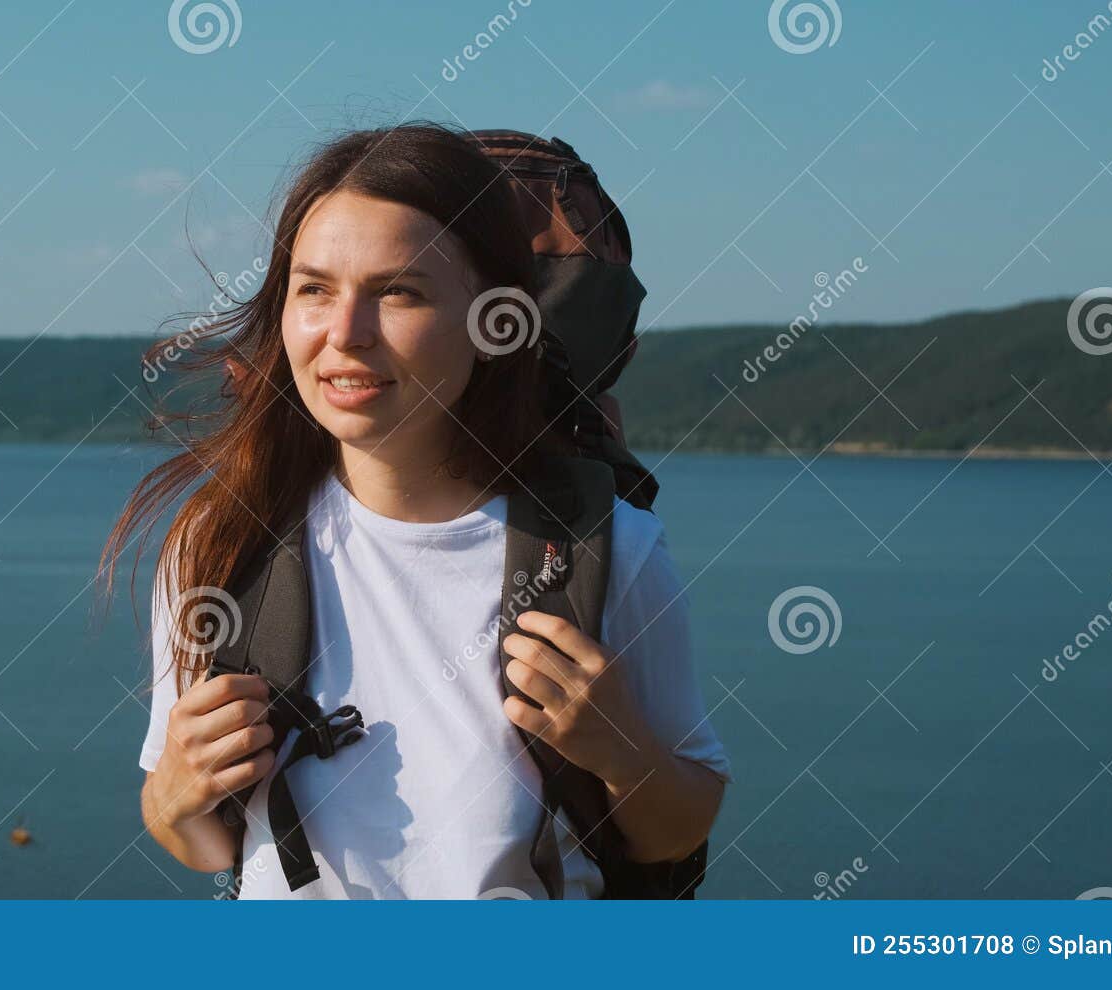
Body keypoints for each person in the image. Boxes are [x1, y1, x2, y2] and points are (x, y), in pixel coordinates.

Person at [102, 122, 729, 899]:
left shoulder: (607, 551)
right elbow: (204, 846)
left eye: (399, 291)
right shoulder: (222, 541)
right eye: (314, 289)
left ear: (494, 320)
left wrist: (620, 749)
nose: (345, 335)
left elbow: (678, 826)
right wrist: (172, 795)